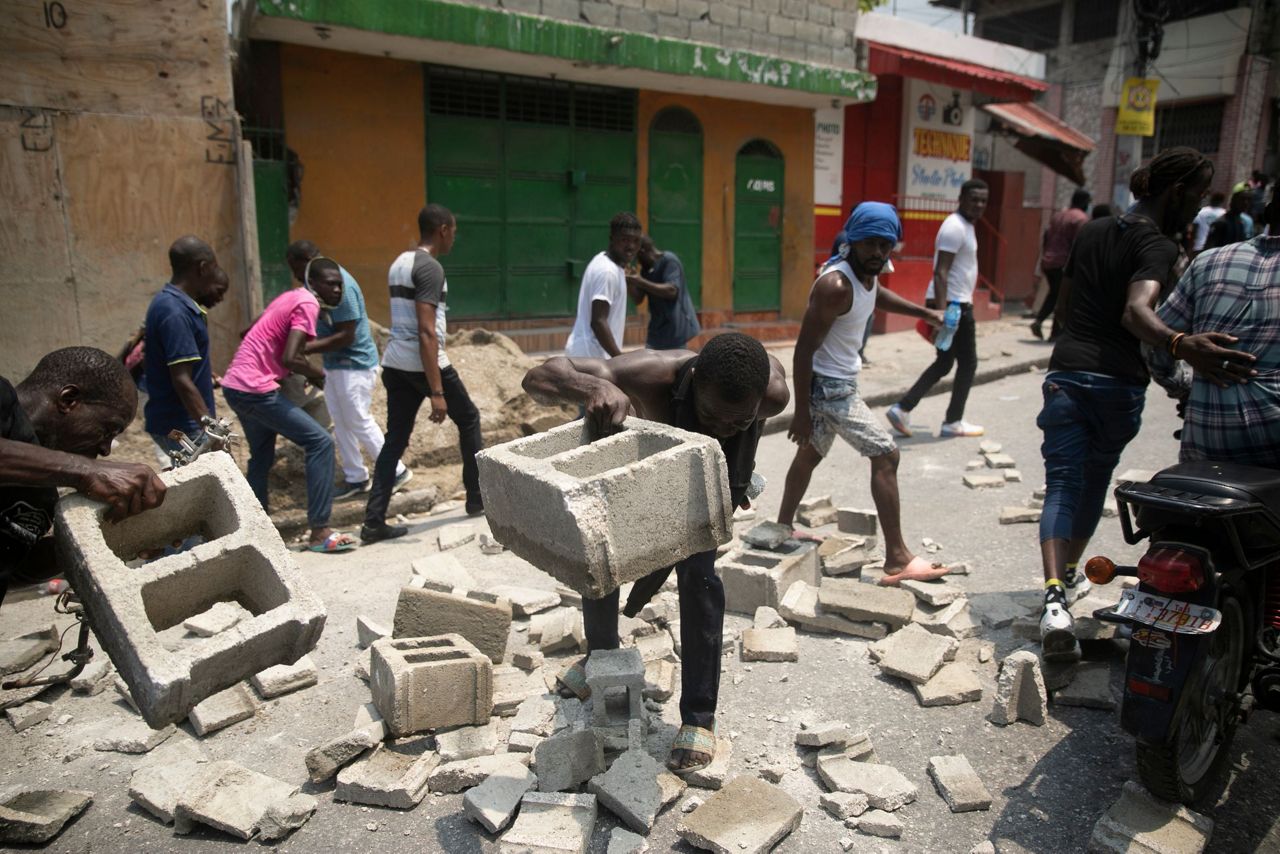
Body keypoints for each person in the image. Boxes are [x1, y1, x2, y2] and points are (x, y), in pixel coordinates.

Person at [522, 332, 788, 774]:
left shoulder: (773, 394)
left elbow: (760, 388)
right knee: (604, 558)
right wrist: (594, 388)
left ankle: (699, 718)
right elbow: (538, 375)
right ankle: (601, 660)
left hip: (706, 486)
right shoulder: (648, 375)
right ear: (695, 380)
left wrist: (739, 469)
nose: (722, 427)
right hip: (647, 473)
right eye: (711, 415)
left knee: (700, 578)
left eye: (737, 422)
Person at [1034, 147, 1254, 662]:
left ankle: (1053, 599)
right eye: (1197, 196)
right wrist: (1181, 344)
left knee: (1063, 484)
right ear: (1175, 192)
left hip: (1065, 374)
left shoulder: (1092, 229)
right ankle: (1064, 583)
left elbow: (1063, 309)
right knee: (1090, 483)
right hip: (1115, 383)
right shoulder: (1156, 244)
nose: (1199, 207)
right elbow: (1137, 312)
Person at [777, 203, 949, 583]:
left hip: (839, 383)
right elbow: (803, 349)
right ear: (853, 241)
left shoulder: (870, 273)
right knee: (886, 455)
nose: (878, 253)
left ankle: (783, 526)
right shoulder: (834, 285)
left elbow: (876, 298)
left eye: (886, 245)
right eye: (871, 244)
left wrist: (925, 312)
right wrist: (802, 412)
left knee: (809, 455)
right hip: (831, 389)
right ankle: (897, 558)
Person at [1, 348, 166, 605]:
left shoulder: (41, 497)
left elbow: (12, 571)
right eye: (109, 429)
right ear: (69, 399)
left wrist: (101, 543)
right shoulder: (3, 401)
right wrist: (85, 471)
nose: (105, 449)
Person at [362, 204, 484, 544]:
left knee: (395, 440)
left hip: (395, 363)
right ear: (443, 229)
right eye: (454, 231)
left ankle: (373, 522)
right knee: (470, 419)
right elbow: (426, 331)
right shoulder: (430, 268)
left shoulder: (400, 261)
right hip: (424, 362)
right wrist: (436, 391)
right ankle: (477, 498)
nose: (454, 238)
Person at [221, 258, 357, 553]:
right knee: (320, 442)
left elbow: (253, 334)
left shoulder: (289, 297)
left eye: (340, 284)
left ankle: (256, 532)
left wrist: (284, 368)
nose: (337, 289)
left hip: (236, 386)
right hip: (255, 389)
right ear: (313, 283)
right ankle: (320, 530)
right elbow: (291, 357)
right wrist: (318, 375)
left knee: (261, 457)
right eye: (330, 283)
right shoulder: (308, 303)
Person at [1157, 183, 1277, 467]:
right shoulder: (1218, 231)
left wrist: (1183, 385)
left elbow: (1153, 340)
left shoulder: (1207, 263)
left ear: (1267, 211)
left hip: (1208, 447)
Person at [286, 241, 411, 500]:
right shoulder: (315, 283)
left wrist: (303, 349)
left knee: (357, 419)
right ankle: (356, 477)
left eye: (295, 267)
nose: (296, 275)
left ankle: (396, 471)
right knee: (341, 422)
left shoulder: (337, 283)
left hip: (355, 364)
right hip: (336, 365)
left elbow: (346, 336)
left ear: (308, 259)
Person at [886, 179, 990, 439]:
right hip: (953, 305)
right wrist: (943, 314)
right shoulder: (954, 227)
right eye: (974, 199)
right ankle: (952, 421)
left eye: (983, 201)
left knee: (945, 362)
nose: (978, 205)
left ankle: (902, 408)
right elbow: (941, 272)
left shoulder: (965, 226)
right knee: (968, 363)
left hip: (954, 302)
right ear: (961, 198)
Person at [142, 236, 229, 459]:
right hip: (183, 426)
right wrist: (210, 431)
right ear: (203, 268)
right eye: (214, 267)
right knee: (212, 487)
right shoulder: (175, 312)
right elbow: (181, 379)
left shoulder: (170, 303)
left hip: (181, 422)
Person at [565, 212, 643, 359]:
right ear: (612, 239)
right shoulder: (607, 272)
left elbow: (638, 299)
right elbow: (598, 321)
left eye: (636, 241)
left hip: (590, 354)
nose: (631, 246)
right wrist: (620, 360)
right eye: (625, 240)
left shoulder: (608, 262)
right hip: (591, 357)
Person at [1032, 189, 1091, 341]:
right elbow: (1079, 244)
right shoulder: (1081, 219)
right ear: (1085, 203)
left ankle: (1040, 321)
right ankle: (1055, 333)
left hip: (1048, 261)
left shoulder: (1058, 215)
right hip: (1064, 264)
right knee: (1063, 298)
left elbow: (1046, 235)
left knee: (1055, 294)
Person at [629, 235, 701, 350]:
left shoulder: (669, 261)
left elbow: (672, 291)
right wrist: (629, 282)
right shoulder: (645, 270)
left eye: (637, 256)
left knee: (677, 365)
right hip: (657, 332)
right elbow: (638, 299)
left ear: (642, 251)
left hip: (675, 331)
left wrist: (640, 281)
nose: (637, 262)